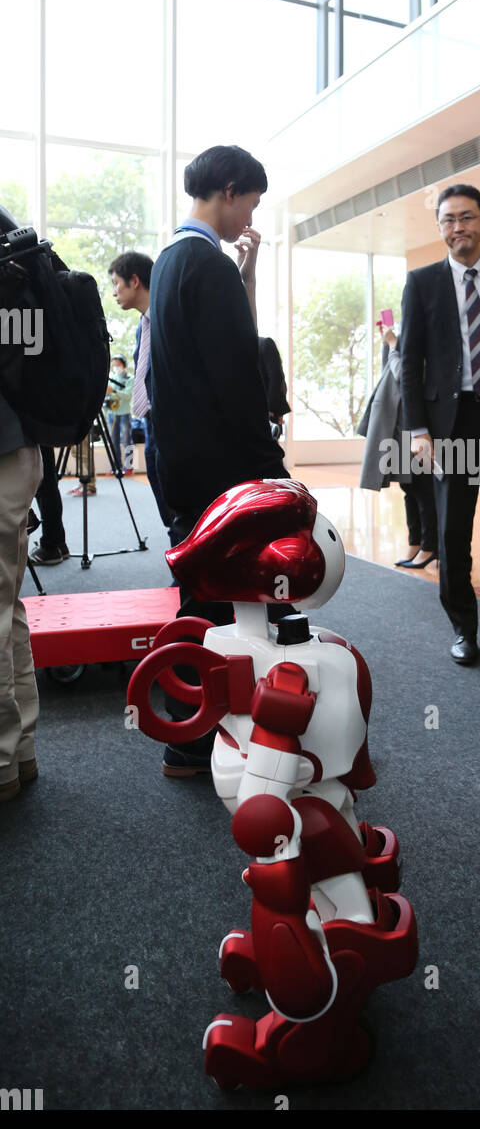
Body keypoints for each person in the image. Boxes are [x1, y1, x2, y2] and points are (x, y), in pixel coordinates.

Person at [149, 144, 288, 777]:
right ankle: (208, 736)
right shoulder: (206, 264)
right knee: (225, 603)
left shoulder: (170, 260)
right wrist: (271, 466)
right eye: (252, 200)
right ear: (229, 190)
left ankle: (188, 732)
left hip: (181, 461)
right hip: (219, 469)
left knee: (199, 599)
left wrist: (246, 277)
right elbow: (239, 379)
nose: (251, 214)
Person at [400, 184, 480, 664]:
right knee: (453, 529)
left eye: (466, 217)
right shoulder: (422, 283)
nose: (458, 228)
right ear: (440, 229)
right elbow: (410, 362)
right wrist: (416, 429)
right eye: (448, 220)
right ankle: (463, 626)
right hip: (453, 420)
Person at [358, 321, 437, 569]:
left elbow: (405, 375)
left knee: (423, 489)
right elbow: (388, 372)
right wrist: (389, 345)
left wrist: (393, 345)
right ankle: (416, 542)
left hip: (419, 426)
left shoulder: (428, 338)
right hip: (401, 424)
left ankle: (430, 545)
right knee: (408, 487)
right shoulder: (408, 337)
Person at [0, 385, 43, 802]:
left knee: (5, 611)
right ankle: (19, 752)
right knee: (8, 609)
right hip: (19, 445)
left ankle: (3, 762)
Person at [109, 251, 173, 530]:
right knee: (166, 508)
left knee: (178, 507)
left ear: (135, 281)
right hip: (150, 425)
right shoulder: (142, 327)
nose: (114, 293)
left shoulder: (169, 319)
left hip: (169, 424)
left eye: (116, 284)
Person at [29, 445, 70, 565]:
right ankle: (58, 543)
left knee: (45, 485)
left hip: (33, 431)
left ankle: (50, 546)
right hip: (44, 431)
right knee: (48, 480)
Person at [105, 354, 133, 475]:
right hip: (112, 413)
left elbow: (127, 395)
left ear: (124, 365)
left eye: (118, 365)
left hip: (125, 413)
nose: (116, 367)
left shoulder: (129, 378)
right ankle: (116, 467)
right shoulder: (112, 377)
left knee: (127, 440)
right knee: (113, 441)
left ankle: (130, 467)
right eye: (114, 365)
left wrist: (114, 390)